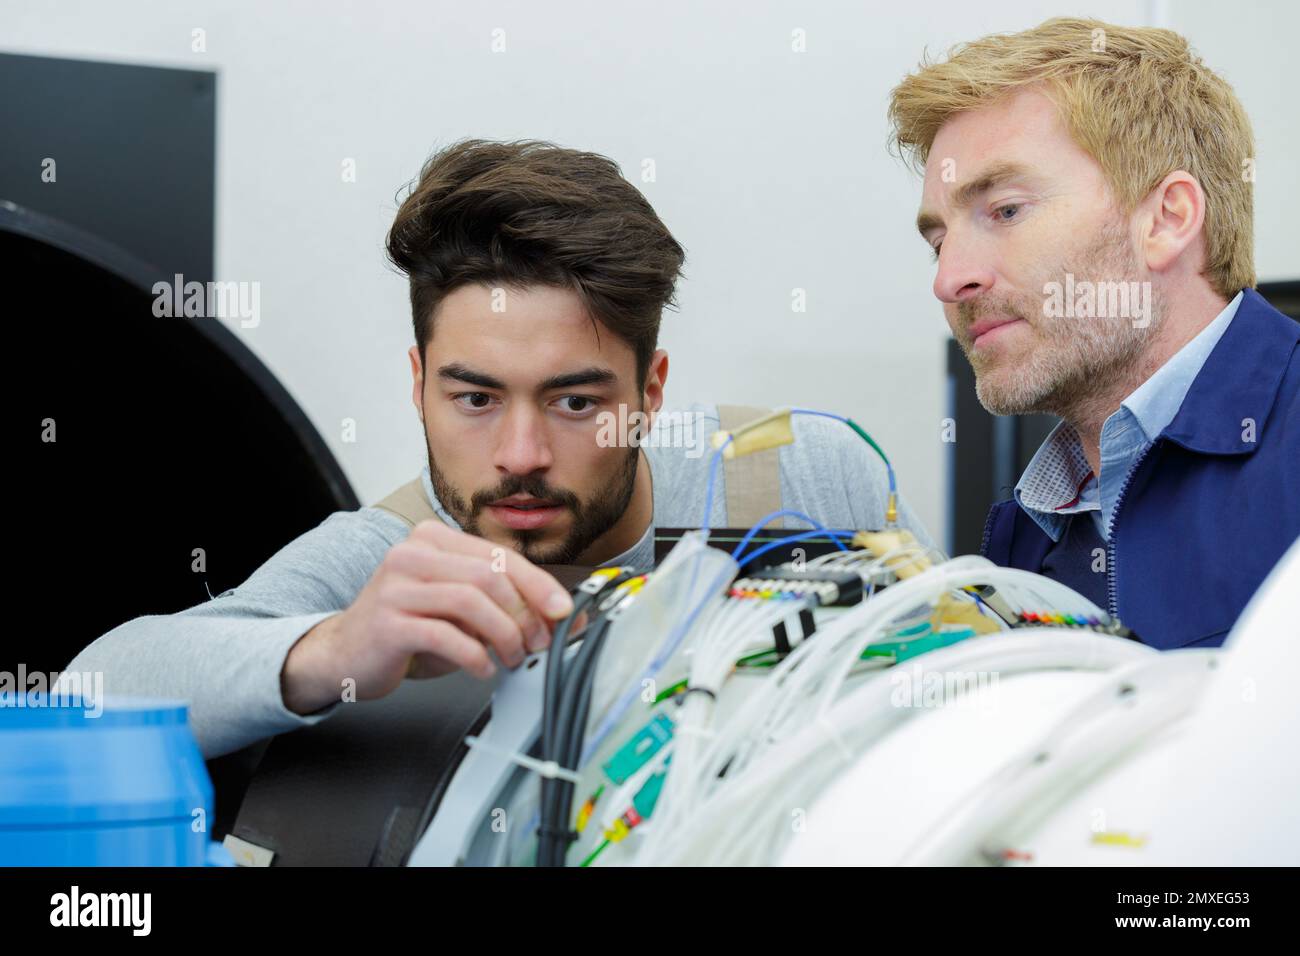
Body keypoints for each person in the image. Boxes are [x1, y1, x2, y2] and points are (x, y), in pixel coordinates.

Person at [69, 139, 930, 758]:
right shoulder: (387, 563)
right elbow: (91, 696)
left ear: (651, 392)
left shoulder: (799, 471)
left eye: (574, 400)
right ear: (419, 384)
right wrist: (330, 651)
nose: (521, 454)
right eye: (475, 398)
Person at [888, 17, 1298, 649]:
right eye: (939, 241)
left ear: (1167, 220)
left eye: (1006, 211)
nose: (949, 280)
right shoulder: (1028, 528)